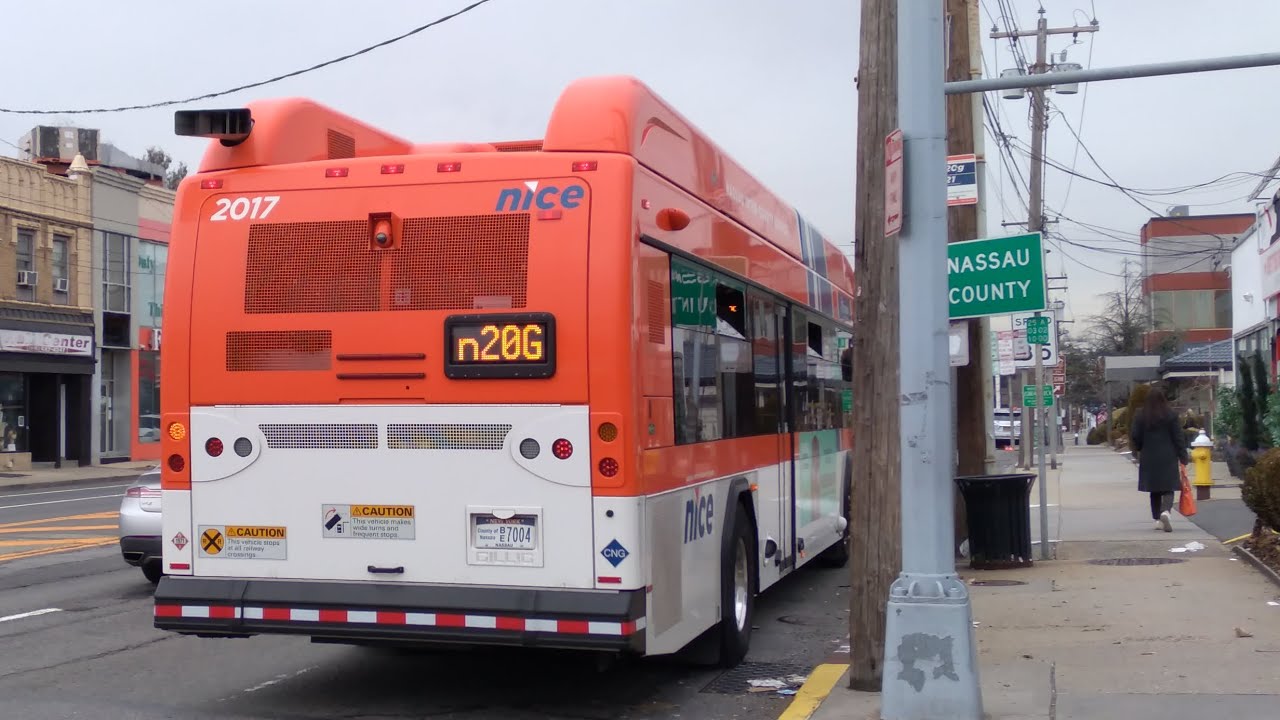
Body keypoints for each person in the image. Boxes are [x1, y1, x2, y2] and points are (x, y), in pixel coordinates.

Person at [1129, 387, 1189, 532]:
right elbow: (1178, 437)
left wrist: (1137, 449)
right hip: (1168, 455)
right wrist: (1183, 455)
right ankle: (1166, 511)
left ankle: (1157, 519)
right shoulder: (1171, 415)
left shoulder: (1140, 415)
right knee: (1169, 487)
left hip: (1149, 456)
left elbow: (1135, 435)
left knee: (1154, 489)